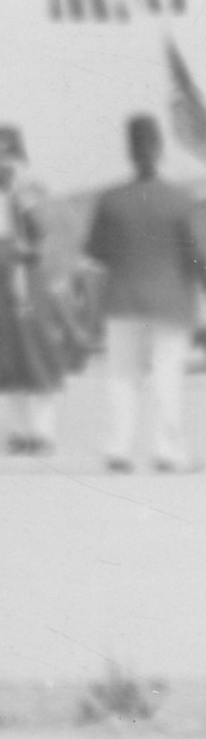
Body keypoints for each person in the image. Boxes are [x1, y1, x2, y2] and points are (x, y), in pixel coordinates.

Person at [80, 112, 206, 473]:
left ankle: (117, 448)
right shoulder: (181, 200)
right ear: (160, 148)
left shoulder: (110, 200)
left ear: (129, 150)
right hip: (170, 301)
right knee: (167, 376)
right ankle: (167, 450)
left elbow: (96, 252)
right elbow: (198, 257)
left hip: (122, 299)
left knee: (122, 375)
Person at [0, 124, 80, 455]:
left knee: (37, 355)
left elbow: (44, 238)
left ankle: (42, 431)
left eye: (8, 156)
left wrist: (23, 199)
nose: (0, 164)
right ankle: (20, 430)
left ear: (20, 159)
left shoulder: (34, 194)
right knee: (7, 357)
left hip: (28, 286)